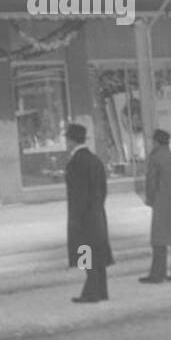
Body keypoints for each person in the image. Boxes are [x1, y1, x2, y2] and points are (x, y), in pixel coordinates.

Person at [65, 122, 114, 303]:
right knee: (98, 253)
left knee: (86, 254)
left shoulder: (75, 163)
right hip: (97, 215)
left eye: (67, 140)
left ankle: (91, 292)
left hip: (83, 218)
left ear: (71, 141)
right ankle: (101, 290)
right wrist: (97, 207)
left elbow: (78, 195)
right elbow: (102, 190)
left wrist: (75, 219)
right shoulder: (95, 160)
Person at [140, 128, 171, 283]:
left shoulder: (155, 159)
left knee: (159, 241)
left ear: (156, 142)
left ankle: (157, 274)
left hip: (161, 203)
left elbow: (151, 183)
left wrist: (150, 200)